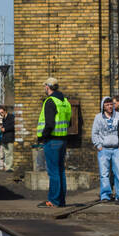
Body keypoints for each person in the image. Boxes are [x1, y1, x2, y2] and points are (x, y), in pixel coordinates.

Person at [35, 77, 72, 208]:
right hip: (62, 140)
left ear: (47, 87)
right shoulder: (65, 101)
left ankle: (54, 201)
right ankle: (61, 200)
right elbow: (70, 122)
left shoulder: (50, 101)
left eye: (45, 86)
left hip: (52, 140)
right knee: (60, 171)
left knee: (53, 172)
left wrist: (42, 136)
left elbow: (49, 123)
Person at [91, 96, 119, 202]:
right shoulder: (98, 117)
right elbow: (94, 133)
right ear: (103, 106)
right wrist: (98, 145)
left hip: (116, 149)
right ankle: (105, 195)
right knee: (104, 173)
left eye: (111, 104)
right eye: (107, 105)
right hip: (104, 149)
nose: (110, 106)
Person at [0, 106, 15, 171]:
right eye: (0, 113)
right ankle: (7, 167)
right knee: (6, 153)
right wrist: (0, 125)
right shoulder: (2, 118)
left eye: (2, 112)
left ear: (5, 111)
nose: (1, 114)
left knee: (10, 153)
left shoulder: (11, 117)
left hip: (10, 137)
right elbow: (1, 128)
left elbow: (13, 126)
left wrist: (5, 129)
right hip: (4, 138)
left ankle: (10, 167)